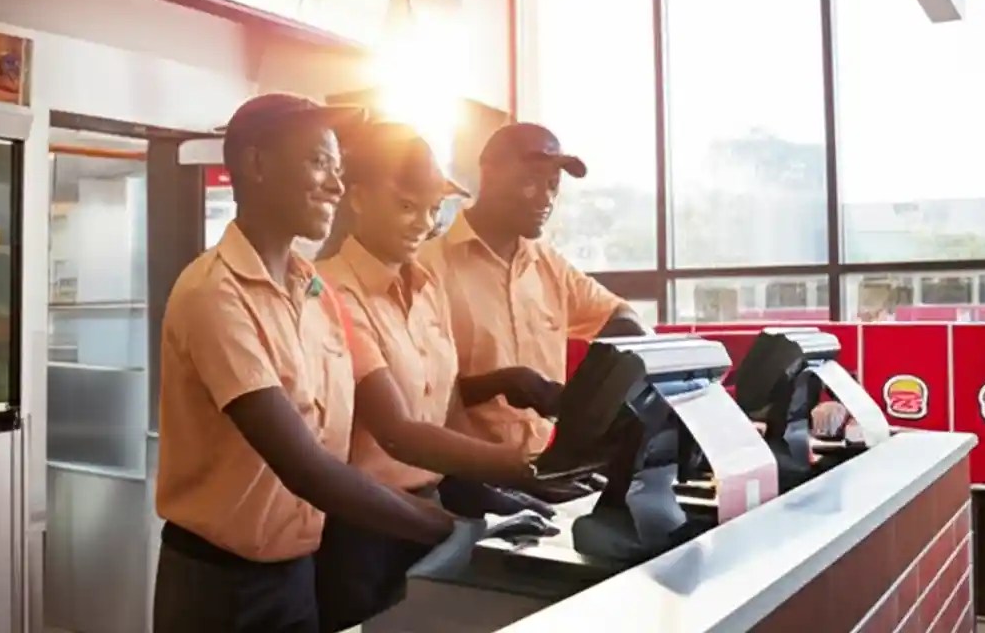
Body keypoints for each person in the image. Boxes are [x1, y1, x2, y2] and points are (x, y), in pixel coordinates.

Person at [153, 94, 455, 633]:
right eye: (319, 163)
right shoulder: (214, 293)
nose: (336, 186)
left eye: (339, 168)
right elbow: (304, 466)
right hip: (220, 588)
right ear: (257, 163)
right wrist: (447, 528)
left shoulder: (315, 293)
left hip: (297, 576)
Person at [314, 122, 557, 631]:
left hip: (433, 510)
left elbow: (448, 414)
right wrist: (526, 466)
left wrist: (506, 493)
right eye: (406, 206)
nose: (422, 225)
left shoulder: (427, 287)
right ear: (357, 198)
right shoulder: (332, 292)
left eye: (431, 210)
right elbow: (398, 434)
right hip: (363, 528)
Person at [420, 123, 649, 502]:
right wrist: (500, 382)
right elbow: (418, 399)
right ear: (488, 172)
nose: (544, 198)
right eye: (529, 181)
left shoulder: (548, 265)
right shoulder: (429, 266)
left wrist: (596, 394)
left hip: (544, 468)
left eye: (552, 185)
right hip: (461, 477)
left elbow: (622, 316)